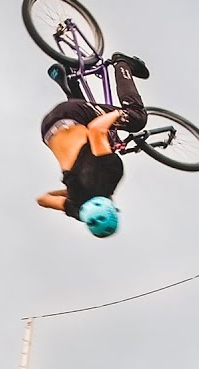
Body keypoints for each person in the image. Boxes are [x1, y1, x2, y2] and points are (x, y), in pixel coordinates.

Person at [36, 52, 151, 238]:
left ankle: (122, 64)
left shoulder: (108, 176)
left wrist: (120, 115)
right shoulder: (77, 207)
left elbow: (97, 129)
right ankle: (69, 82)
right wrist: (71, 195)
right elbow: (43, 199)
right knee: (86, 133)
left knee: (136, 118)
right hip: (47, 129)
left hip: (70, 114)